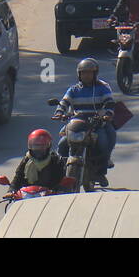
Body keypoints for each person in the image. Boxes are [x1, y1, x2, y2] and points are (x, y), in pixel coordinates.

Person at [56, 58, 117, 186]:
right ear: (79, 74)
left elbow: (109, 102)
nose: (86, 75)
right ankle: (59, 174)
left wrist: (107, 114)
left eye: (89, 73)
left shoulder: (102, 87)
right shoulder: (73, 89)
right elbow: (64, 102)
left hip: (96, 124)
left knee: (103, 143)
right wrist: (59, 112)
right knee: (62, 145)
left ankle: (100, 173)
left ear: (95, 74)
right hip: (77, 124)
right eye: (84, 73)